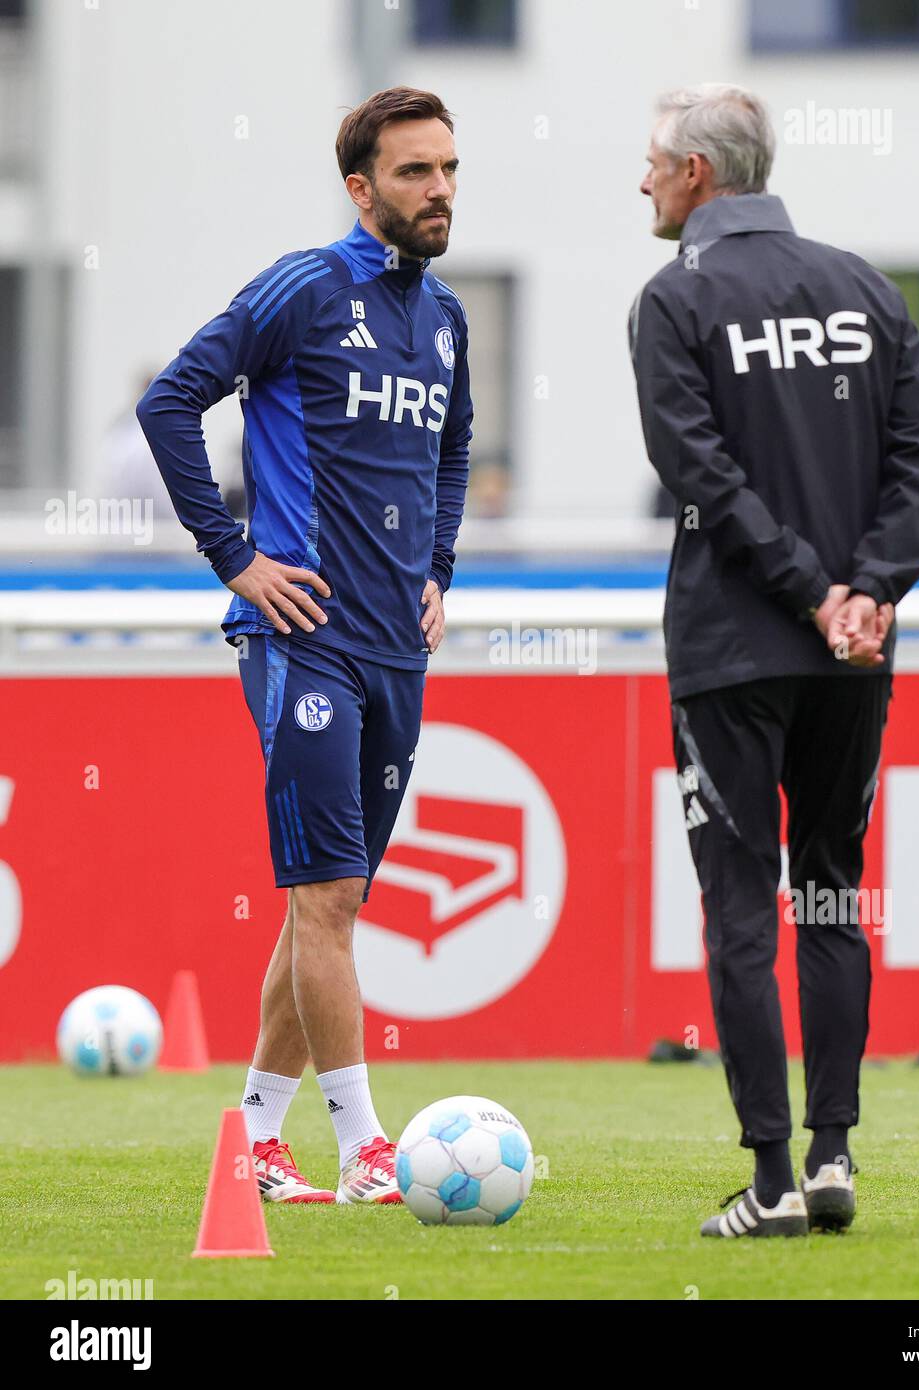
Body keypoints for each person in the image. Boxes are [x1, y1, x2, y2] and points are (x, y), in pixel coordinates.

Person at [629, 84, 919, 1238]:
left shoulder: (676, 299)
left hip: (733, 649)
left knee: (738, 911)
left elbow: (699, 472)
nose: (644, 182)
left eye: (655, 164)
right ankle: (831, 1157)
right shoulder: (866, 287)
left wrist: (810, 589)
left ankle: (767, 1181)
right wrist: (870, 588)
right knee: (829, 892)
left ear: (699, 176)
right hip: (852, 657)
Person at [137, 87, 471, 1205]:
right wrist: (233, 557)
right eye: (416, 171)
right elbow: (173, 401)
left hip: (395, 648)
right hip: (301, 640)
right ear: (361, 186)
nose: (439, 191)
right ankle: (368, 1146)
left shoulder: (446, 319)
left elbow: (453, 448)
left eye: (449, 169)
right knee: (327, 899)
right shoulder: (304, 287)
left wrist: (440, 568)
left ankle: (256, 1136)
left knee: (325, 905)